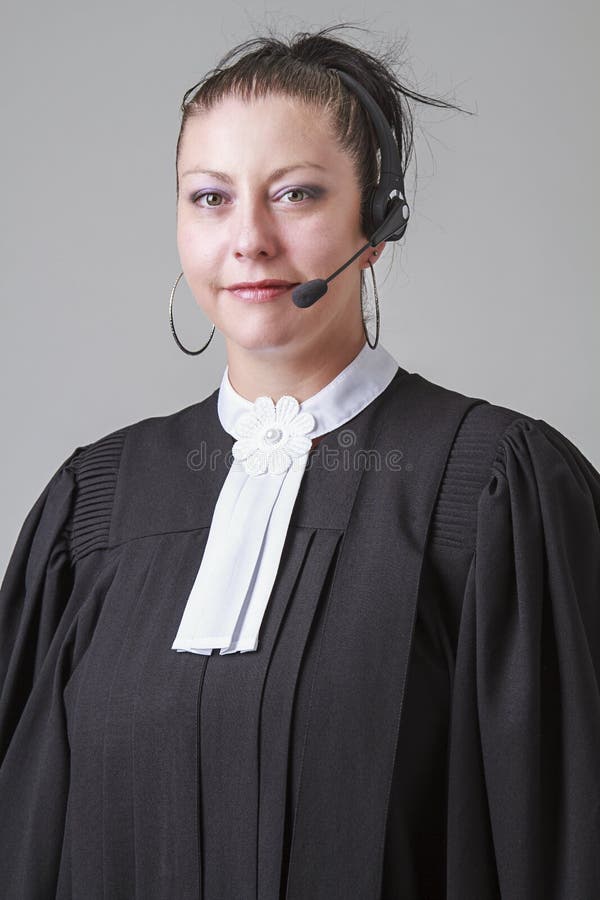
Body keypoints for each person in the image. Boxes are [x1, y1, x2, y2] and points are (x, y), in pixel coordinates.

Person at [1, 23, 599, 900]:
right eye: (210, 197)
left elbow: (561, 850)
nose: (248, 239)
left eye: (296, 194)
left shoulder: (494, 492)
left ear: (379, 220)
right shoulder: (93, 504)